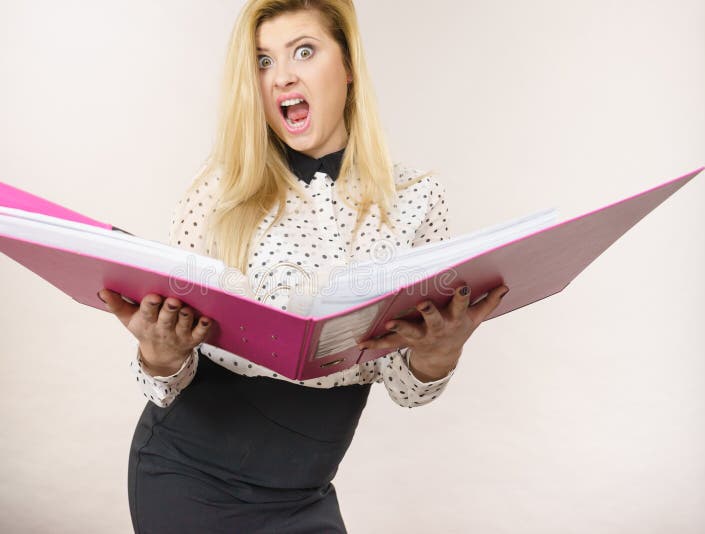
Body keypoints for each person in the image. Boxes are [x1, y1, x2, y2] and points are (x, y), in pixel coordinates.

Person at [98, 1, 507, 531]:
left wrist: (440, 352)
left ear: (348, 67)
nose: (281, 76)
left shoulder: (416, 200)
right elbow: (164, 381)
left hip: (303, 493)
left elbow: (404, 385)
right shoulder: (219, 190)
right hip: (188, 477)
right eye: (264, 62)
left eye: (304, 51)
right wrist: (158, 354)